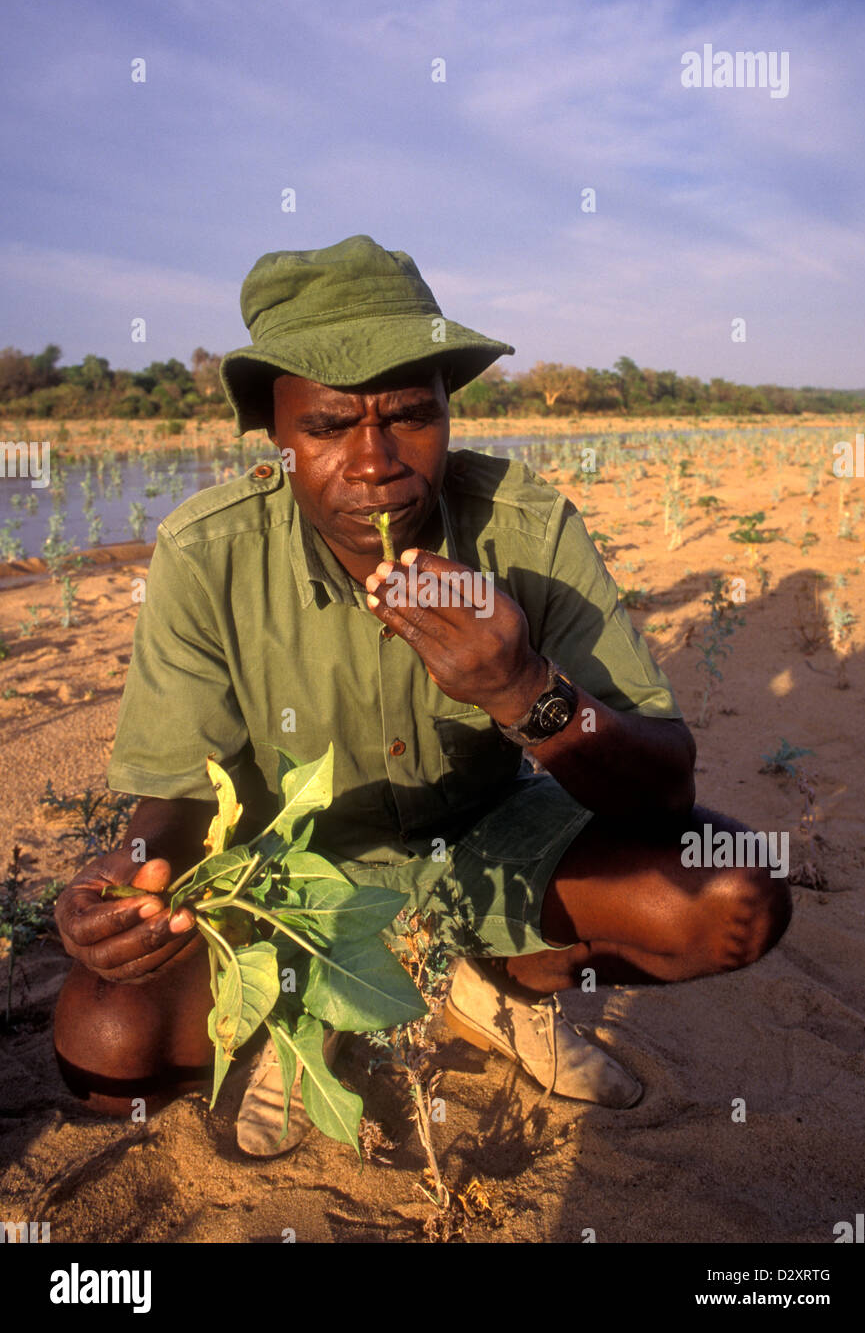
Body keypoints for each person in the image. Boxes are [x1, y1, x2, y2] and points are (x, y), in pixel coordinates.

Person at [53, 235, 791, 1155]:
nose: (374, 463)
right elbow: (176, 794)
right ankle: (311, 992)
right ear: (276, 435)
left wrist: (526, 693)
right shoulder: (209, 554)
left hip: (480, 841)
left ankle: (505, 986)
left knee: (732, 895)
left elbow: (664, 786)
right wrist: (130, 873)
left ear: (449, 407)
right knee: (105, 1049)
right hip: (288, 880)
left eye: (410, 417)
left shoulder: (524, 530)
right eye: (327, 428)